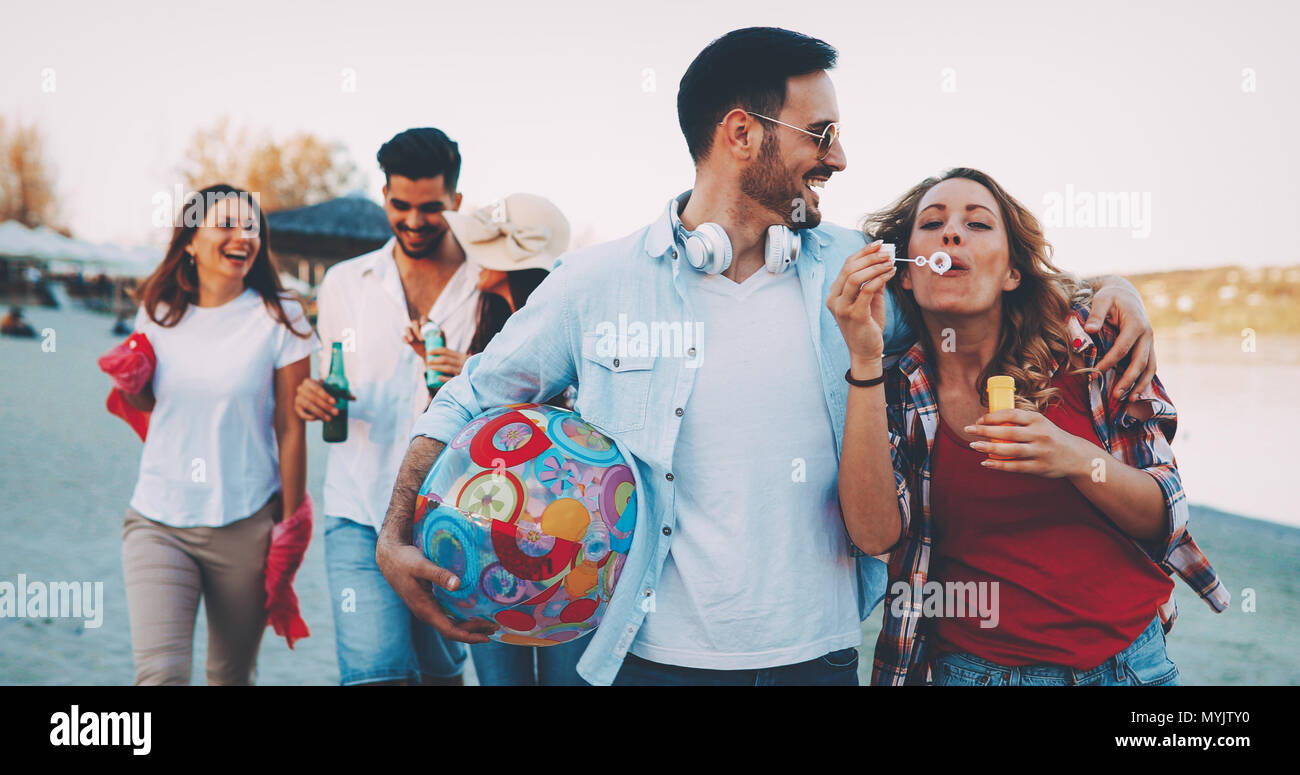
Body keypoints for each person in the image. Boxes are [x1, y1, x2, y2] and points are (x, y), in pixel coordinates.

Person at [375, 28, 1159, 687]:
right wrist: (394, 532)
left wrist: (1104, 288)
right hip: (648, 658)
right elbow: (471, 398)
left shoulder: (862, 271)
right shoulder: (594, 284)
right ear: (741, 133)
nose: (841, 157)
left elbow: (990, 282)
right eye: (821, 135)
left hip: (817, 657)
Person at [829, 168, 1229, 685]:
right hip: (979, 673)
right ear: (906, 270)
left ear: (1012, 273)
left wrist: (1076, 459)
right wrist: (864, 357)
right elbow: (873, 533)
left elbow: (1166, 520)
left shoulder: (1090, 349)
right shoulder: (897, 388)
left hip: (1133, 666)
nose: (952, 233)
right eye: (932, 224)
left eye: (977, 224)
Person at [118, 184, 315, 685]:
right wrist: (132, 382)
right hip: (157, 521)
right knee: (159, 677)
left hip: (245, 525)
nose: (242, 236)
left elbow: (290, 427)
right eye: (226, 225)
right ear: (190, 241)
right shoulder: (158, 310)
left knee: (229, 677)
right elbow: (150, 406)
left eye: (251, 227)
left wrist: (289, 526)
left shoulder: (280, 316)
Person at [403, 193, 586, 686]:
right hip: (485, 537)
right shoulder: (487, 324)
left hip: (559, 537)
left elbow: (572, 431)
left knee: (564, 673)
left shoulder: (563, 333)